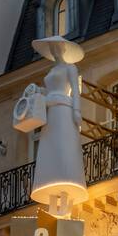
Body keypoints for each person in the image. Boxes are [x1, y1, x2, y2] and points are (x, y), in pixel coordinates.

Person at [28, 37, 88, 217]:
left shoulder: (70, 68)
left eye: (56, 46)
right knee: (52, 149)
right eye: (51, 48)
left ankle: (65, 193)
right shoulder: (52, 70)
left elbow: (75, 92)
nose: (54, 50)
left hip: (63, 111)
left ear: (62, 48)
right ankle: (53, 195)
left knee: (63, 147)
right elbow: (51, 89)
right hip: (51, 112)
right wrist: (39, 91)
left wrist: (77, 111)